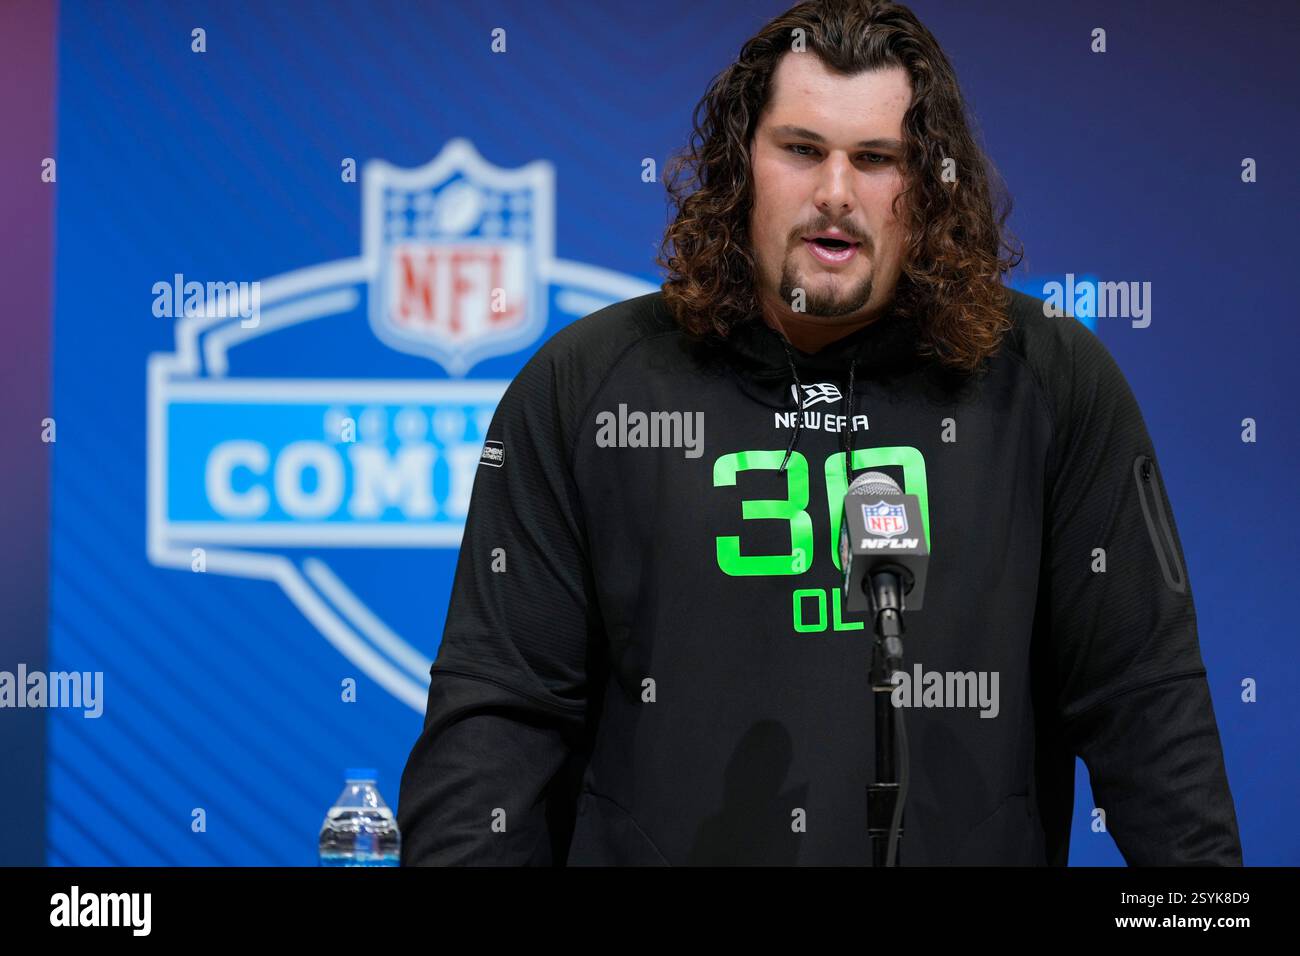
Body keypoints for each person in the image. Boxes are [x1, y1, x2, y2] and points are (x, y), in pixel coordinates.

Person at [397, 0, 1242, 865]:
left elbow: (1145, 705)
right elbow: (498, 720)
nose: (836, 192)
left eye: (877, 159)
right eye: (801, 150)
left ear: (929, 184)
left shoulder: (1051, 383)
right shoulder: (585, 389)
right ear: (740, 166)